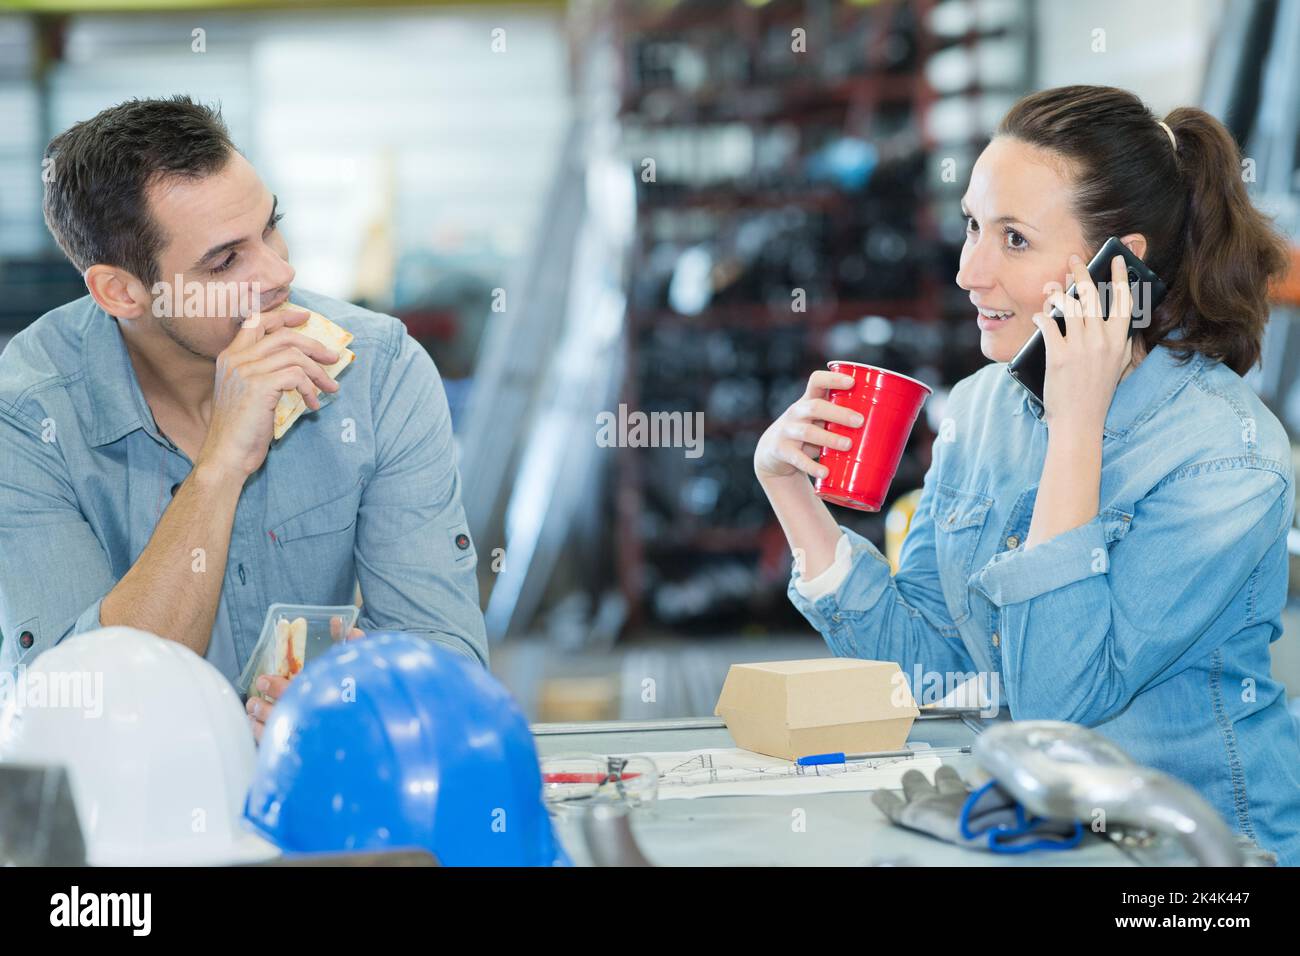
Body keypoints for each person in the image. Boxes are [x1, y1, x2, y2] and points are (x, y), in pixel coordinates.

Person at [755, 85, 1300, 864]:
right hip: (1041, 839)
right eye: (974, 226)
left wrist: (1076, 426)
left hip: (1195, 860)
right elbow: (935, 674)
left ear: (1119, 271)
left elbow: (1059, 708)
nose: (969, 272)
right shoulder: (983, 410)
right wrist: (791, 495)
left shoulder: (1228, 457)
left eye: (1014, 240)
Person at [0, 96, 488, 742]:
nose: (280, 273)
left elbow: (450, 671)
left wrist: (355, 701)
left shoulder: (379, 372)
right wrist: (222, 464)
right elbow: (79, 713)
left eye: (271, 226)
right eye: (225, 262)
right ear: (121, 292)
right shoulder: (28, 419)